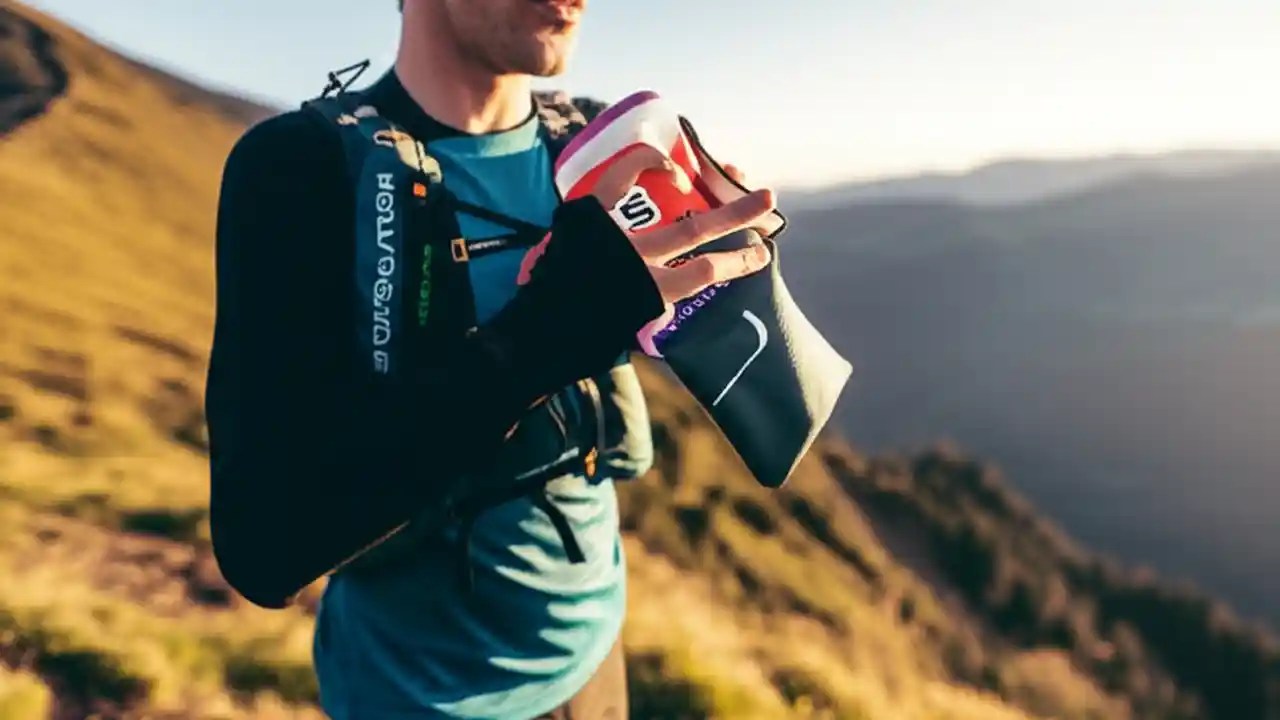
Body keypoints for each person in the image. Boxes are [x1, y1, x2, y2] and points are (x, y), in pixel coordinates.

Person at [206, 0, 778, 717]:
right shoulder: (299, 168)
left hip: (597, 653)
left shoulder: (602, 143)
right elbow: (264, 546)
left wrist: (709, 289)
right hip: (419, 696)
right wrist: (545, 336)